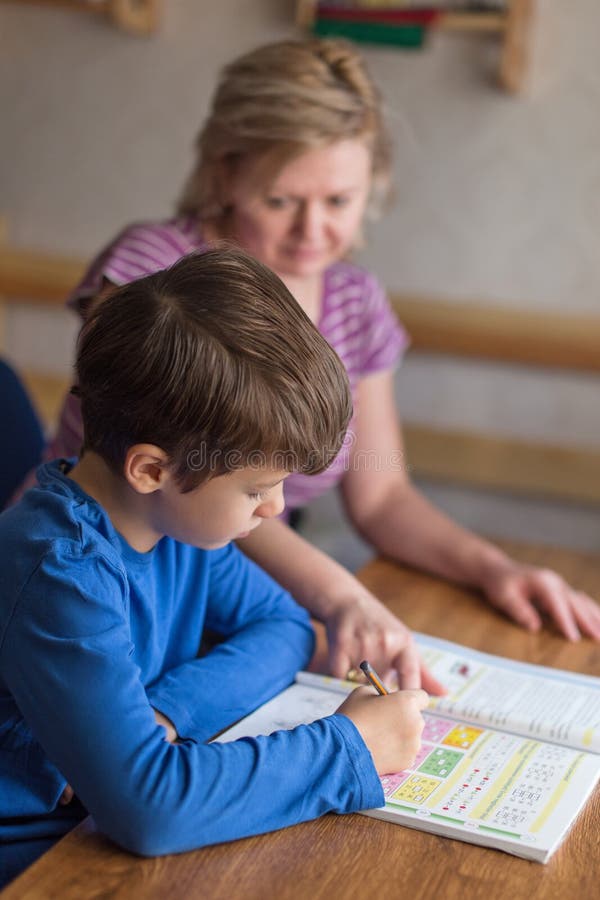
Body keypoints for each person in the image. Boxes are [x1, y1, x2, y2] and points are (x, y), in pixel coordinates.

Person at [45, 39, 600, 684]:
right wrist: (340, 595)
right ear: (225, 175)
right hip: (107, 580)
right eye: (281, 200)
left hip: (242, 588)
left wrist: (493, 569)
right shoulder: (156, 276)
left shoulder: (355, 301)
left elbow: (382, 490)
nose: (312, 231)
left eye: (338, 201)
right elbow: (193, 487)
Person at [0, 249, 429, 887]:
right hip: (36, 862)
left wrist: (168, 710)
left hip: (99, 838)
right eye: (257, 489)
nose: (276, 508)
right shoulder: (60, 570)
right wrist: (351, 747)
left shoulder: (172, 525)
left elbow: (285, 626)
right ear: (152, 469)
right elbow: (149, 807)